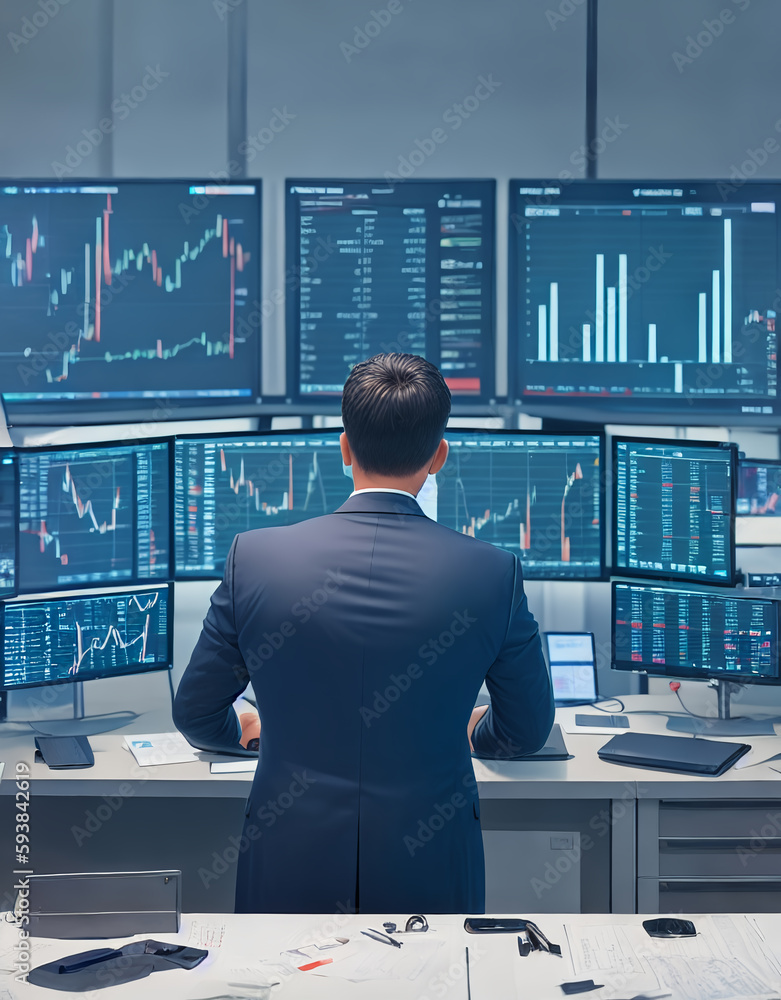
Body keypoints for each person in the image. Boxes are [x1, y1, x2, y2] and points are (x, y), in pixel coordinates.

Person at [173, 353, 554, 914]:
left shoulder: (254, 559)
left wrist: (255, 729)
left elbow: (197, 715)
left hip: (289, 861)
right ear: (438, 458)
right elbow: (527, 730)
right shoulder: (492, 572)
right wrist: (472, 731)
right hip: (428, 863)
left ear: (345, 448)